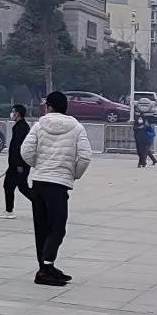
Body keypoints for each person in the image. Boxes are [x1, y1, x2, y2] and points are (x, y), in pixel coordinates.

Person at [22, 90, 93, 286]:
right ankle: (46, 268)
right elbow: (85, 156)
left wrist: (38, 165)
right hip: (59, 184)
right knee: (57, 227)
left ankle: (45, 266)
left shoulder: (39, 125)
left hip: (39, 182)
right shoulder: (77, 127)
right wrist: (73, 174)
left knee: (42, 227)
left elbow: (25, 151)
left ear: (48, 106)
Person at [3, 104, 31, 216]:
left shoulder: (22, 127)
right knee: (9, 185)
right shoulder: (18, 126)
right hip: (14, 163)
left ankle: (42, 204)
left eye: (13, 112)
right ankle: (9, 210)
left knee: (22, 187)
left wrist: (19, 164)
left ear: (18, 114)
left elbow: (19, 147)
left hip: (19, 164)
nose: (11, 114)